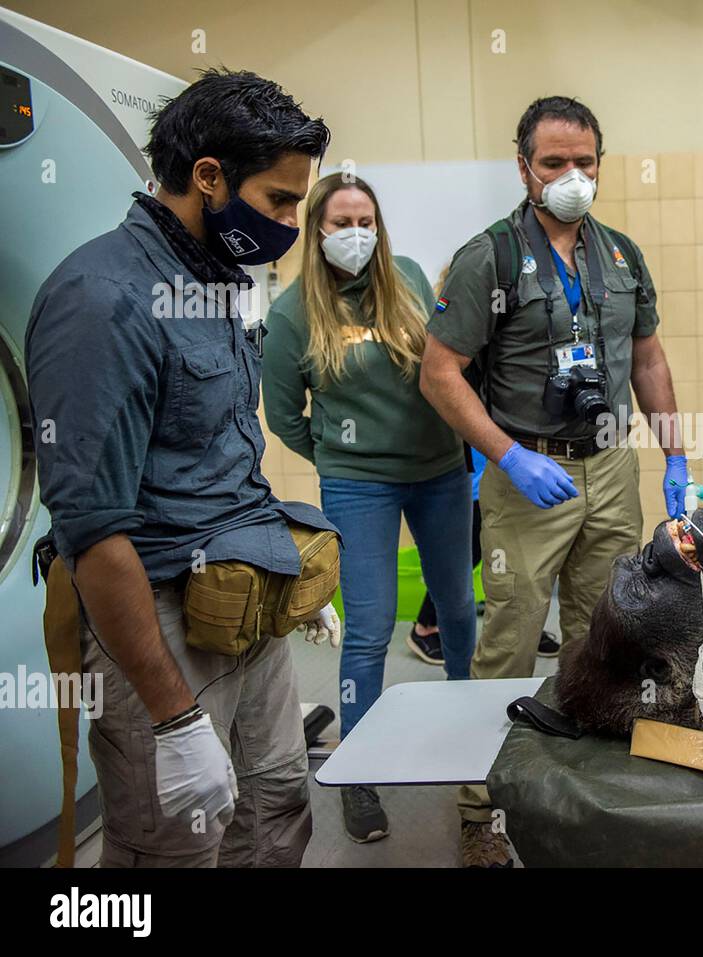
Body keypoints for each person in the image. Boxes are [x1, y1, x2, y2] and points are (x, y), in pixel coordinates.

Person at [25, 68, 335, 867]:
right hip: (158, 622)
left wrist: (276, 554)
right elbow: (93, 533)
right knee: (174, 846)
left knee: (275, 802)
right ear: (208, 178)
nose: (293, 224)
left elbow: (220, 451)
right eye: (278, 202)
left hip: (244, 600)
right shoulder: (104, 299)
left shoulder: (215, 283)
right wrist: (173, 718)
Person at [420, 95, 688, 867]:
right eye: (554, 164)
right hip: (527, 471)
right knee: (505, 643)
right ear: (524, 168)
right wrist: (506, 455)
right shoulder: (490, 257)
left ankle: (578, 791)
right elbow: (440, 375)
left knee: (604, 632)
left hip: (611, 465)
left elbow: (649, 359)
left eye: (585, 163)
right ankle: (480, 812)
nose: (573, 177)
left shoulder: (622, 256)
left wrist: (674, 454)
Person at [262, 172, 477, 844]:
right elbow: (282, 415)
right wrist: (337, 456)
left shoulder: (410, 276)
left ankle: (463, 731)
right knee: (369, 626)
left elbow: (447, 361)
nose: (357, 233)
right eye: (341, 223)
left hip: (439, 470)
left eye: (366, 221)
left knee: (460, 608)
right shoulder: (293, 313)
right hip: (359, 485)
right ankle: (359, 772)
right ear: (316, 232)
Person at [407, 444, 561, 664]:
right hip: (476, 474)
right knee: (464, 555)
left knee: (519, 554)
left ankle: (522, 626)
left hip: (515, 473)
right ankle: (425, 625)